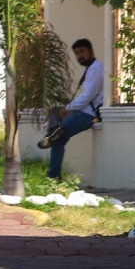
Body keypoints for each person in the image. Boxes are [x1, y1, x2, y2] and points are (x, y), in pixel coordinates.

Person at [39, 38, 104, 179]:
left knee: (59, 139)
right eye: (76, 53)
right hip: (83, 111)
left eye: (82, 51)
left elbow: (89, 95)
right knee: (54, 112)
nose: (79, 55)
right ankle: (52, 133)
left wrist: (68, 108)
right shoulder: (91, 68)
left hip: (89, 114)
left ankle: (53, 176)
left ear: (91, 51)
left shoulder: (96, 68)